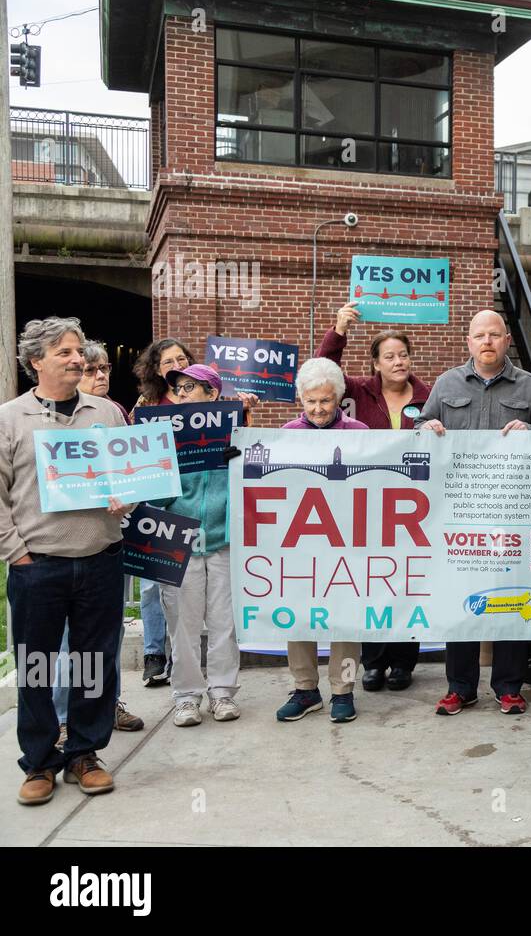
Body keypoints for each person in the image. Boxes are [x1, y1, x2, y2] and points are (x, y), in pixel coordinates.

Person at [4, 317, 129, 805]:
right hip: (38, 566)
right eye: (65, 352)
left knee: (94, 662)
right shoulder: (9, 419)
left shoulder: (106, 413)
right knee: (37, 666)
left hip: (100, 557)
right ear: (37, 362)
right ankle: (38, 763)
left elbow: (132, 475)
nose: (78, 359)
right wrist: (18, 553)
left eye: (79, 351)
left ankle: (84, 754)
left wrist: (130, 498)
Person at [421, 310, 531, 717]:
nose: (487, 342)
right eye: (479, 335)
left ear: (507, 340)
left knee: (510, 597)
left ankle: (509, 687)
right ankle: (460, 687)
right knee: (459, 598)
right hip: (458, 513)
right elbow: (421, 427)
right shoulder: (446, 384)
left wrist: (530, 433)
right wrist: (426, 430)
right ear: (468, 341)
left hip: (512, 513)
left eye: (494, 335)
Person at [319, 300, 433, 692]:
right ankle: (373, 661)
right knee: (370, 580)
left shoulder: (428, 395)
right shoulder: (357, 392)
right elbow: (324, 371)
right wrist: (339, 329)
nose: (399, 361)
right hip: (366, 501)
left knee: (406, 580)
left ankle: (403, 662)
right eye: (390, 356)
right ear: (376, 363)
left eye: (403, 355)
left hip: (414, 503)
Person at [151, 364, 256, 728]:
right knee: (183, 624)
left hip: (224, 541)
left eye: (190, 388)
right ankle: (186, 697)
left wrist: (240, 432)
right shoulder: (166, 436)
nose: (181, 394)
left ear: (212, 395)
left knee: (224, 621)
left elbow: (248, 480)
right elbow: (156, 493)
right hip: (179, 540)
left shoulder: (234, 436)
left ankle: (223, 692)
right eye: (178, 388)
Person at [51, 339, 144, 740]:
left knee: (110, 634)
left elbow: (133, 474)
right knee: (67, 640)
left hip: (110, 542)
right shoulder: (48, 417)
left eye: (104, 368)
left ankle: (108, 705)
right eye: (91, 370)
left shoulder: (115, 414)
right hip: (60, 547)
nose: (101, 375)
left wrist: (129, 494)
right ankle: (61, 718)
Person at [275, 358, 368, 724]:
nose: (317, 409)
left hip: (348, 539)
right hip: (300, 541)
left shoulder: (360, 432)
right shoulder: (285, 433)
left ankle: (343, 689)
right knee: (298, 613)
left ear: (339, 399)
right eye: (311, 401)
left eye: (325, 401)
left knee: (345, 616)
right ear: (301, 399)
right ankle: (305, 689)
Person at [131, 338, 194, 689]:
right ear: (157, 369)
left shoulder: (204, 395)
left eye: (182, 358)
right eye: (168, 360)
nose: (176, 364)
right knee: (154, 580)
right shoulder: (147, 404)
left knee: (188, 582)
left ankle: (181, 655)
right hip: (156, 497)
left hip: (192, 495)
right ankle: (154, 653)